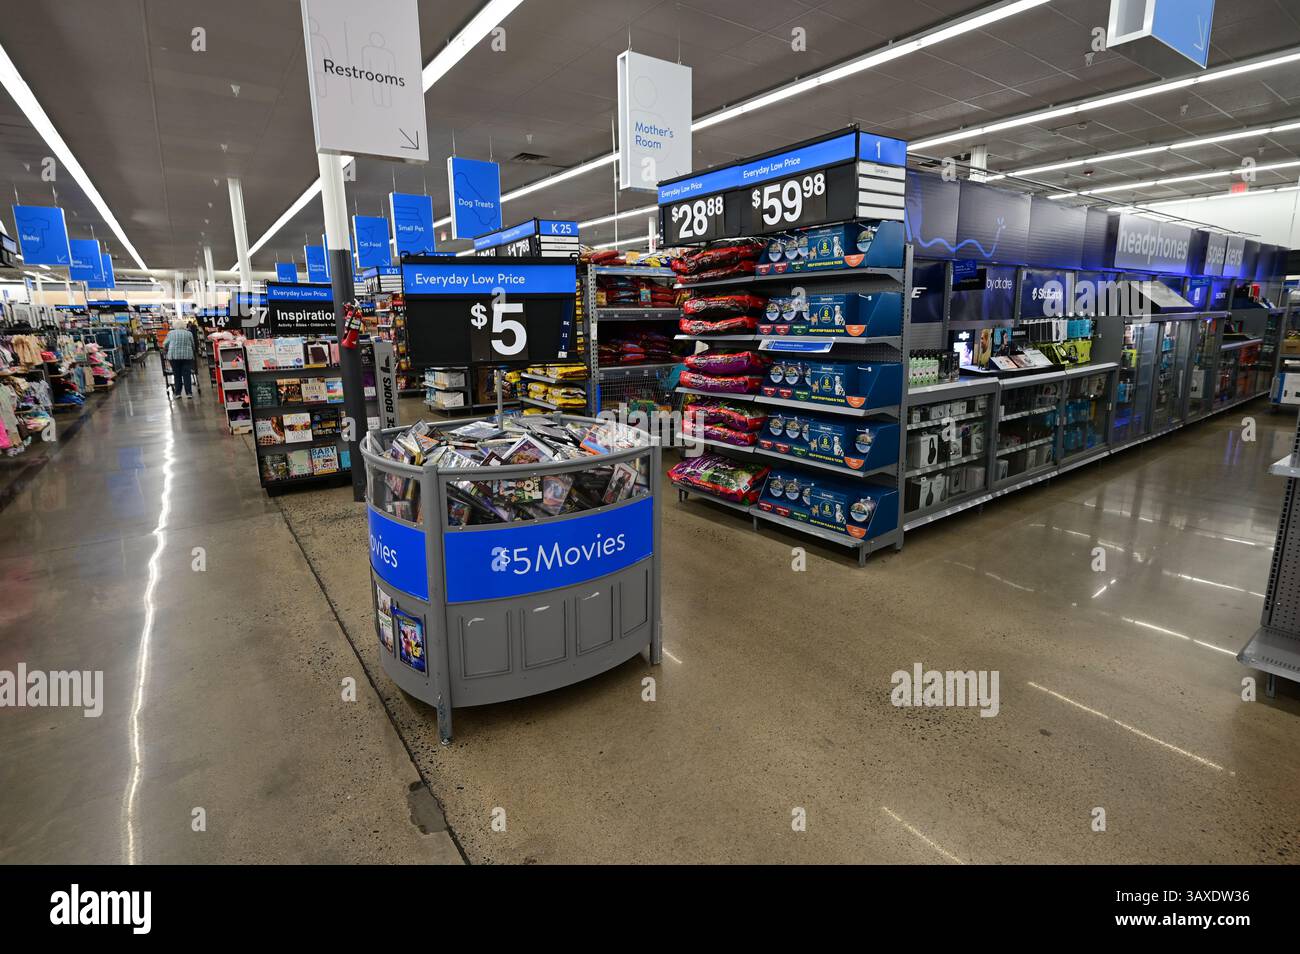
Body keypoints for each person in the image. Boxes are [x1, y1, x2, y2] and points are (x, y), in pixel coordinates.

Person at [164, 318, 197, 398]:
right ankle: (189, 393)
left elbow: (165, 344)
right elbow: (193, 345)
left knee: (177, 374)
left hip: (174, 356)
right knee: (187, 374)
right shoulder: (189, 333)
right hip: (187, 356)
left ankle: (178, 393)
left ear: (174, 326)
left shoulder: (171, 333)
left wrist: (168, 347)